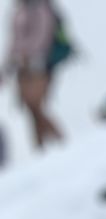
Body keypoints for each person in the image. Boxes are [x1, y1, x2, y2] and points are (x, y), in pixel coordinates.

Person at [2, 0, 64, 149]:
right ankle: (41, 149)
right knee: (31, 109)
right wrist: (8, 65)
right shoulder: (20, 9)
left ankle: (62, 143)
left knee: (36, 106)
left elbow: (43, 36)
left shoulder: (40, 6)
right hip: (21, 66)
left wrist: (26, 55)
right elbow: (14, 40)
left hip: (38, 65)